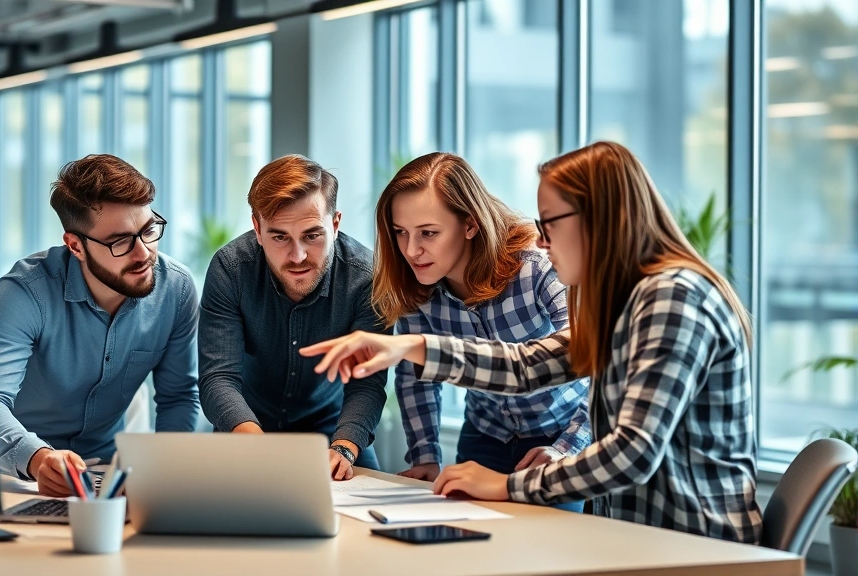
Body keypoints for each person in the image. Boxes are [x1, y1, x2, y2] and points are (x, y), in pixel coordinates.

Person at [302, 141, 762, 543]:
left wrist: (506, 485)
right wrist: (409, 348)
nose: (541, 241)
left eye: (551, 224)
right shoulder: (631, 301)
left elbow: (632, 453)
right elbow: (526, 366)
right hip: (638, 534)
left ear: (597, 220)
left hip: (692, 545)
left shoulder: (671, 298)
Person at [372, 152, 589, 513]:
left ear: (470, 224)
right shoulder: (415, 286)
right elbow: (416, 377)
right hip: (485, 436)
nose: (411, 250)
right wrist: (425, 454)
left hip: (560, 435)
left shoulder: (537, 266)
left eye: (428, 233)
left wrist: (568, 448)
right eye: (400, 233)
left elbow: (594, 358)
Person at [0, 154, 200, 497]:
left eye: (148, 230)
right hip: (19, 477)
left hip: (108, 476)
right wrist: (38, 458)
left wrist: (161, 472)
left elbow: (178, 397)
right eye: (120, 242)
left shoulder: (176, 289)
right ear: (76, 246)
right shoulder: (25, 293)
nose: (143, 253)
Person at [198, 154, 389, 481]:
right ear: (257, 228)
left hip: (333, 433)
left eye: (312, 235)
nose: (297, 256)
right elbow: (219, 377)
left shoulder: (367, 278)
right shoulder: (230, 270)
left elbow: (367, 383)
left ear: (335, 223)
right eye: (280, 237)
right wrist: (260, 447)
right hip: (244, 429)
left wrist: (344, 446)